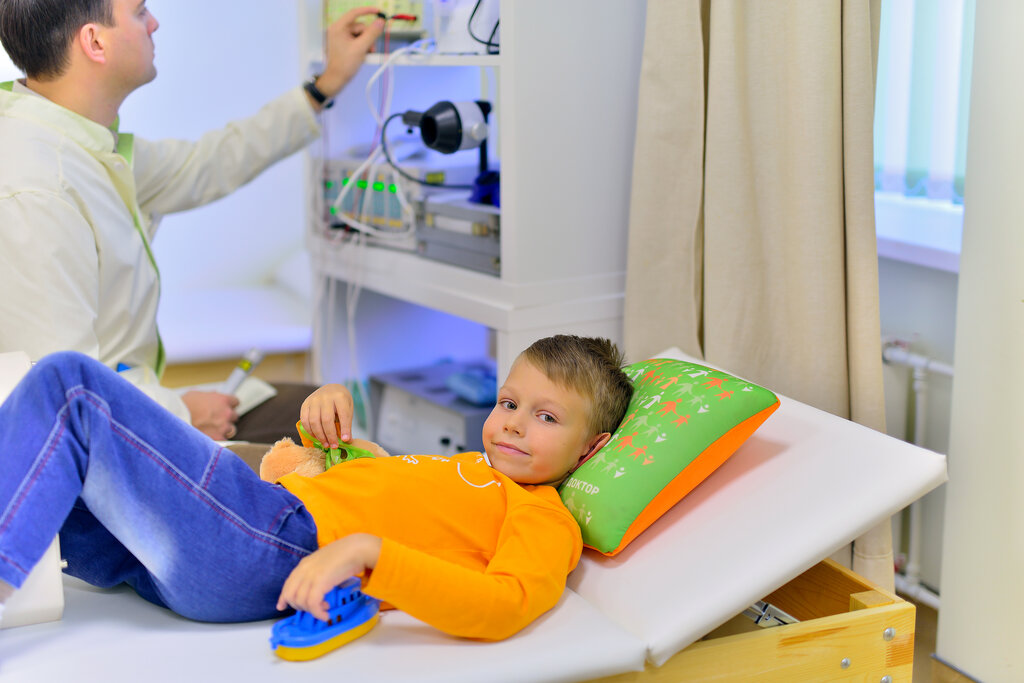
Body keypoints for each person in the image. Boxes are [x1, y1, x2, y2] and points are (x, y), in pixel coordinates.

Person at [0, 335, 634, 639]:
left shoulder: (540, 515)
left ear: (592, 448)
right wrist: (326, 419)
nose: (516, 425)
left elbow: (505, 604)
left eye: (547, 417)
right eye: (509, 402)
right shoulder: (465, 470)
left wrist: (370, 557)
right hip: (234, 543)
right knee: (48, 448)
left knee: (70, 388)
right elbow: (362, 482)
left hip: (271, 543)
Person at [0, 0, 385, 442]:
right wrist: (182, 413)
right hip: (105, 446)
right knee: (327, 440)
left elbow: (209, 162)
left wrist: (325, 85)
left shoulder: (81, 144)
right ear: (95, 41)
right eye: (140, 12)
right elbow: (64, 403)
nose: (155, 23)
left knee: (320, 414)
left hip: (130, 403)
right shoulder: (35, 187)